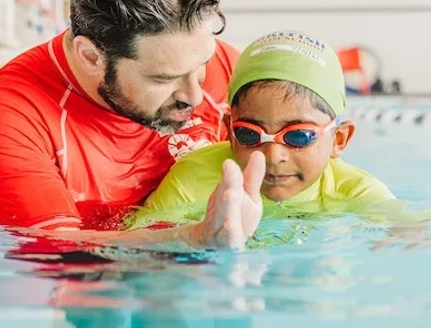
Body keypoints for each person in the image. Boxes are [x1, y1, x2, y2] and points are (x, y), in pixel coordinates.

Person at [0, 0, 265, 250]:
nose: (196, 96)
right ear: (90, 57)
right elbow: (55, 255)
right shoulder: (8, 119)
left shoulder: (221, 67)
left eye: (202, 64)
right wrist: (195, 239)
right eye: (163, 79)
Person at [128, 30, 395, 229]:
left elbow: (412, 238)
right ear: (229, 131)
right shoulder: (193, 177)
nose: (273, 154)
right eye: (249, 134)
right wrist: (197, 238)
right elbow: (135, 247)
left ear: (339, 139)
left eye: (298, 136)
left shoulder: (357, 192)